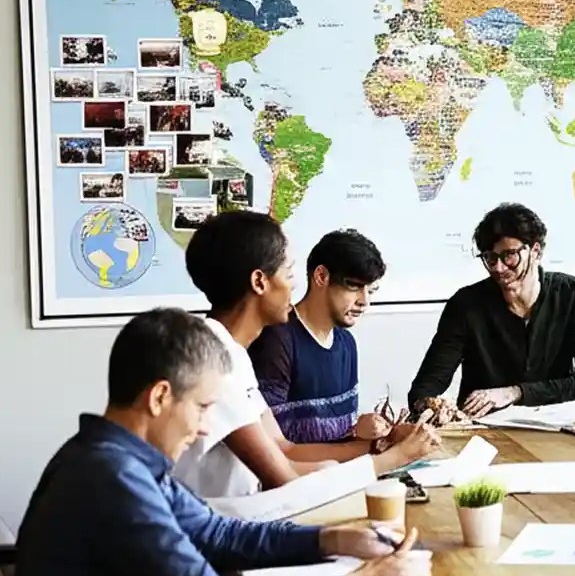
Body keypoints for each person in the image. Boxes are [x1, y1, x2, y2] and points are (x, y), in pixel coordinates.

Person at [8, 308, 432, 576]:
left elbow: (215, 532)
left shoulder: (120, 458)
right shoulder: (111, 480)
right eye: (202, 407)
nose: (206, 428)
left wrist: (333, 539)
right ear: (159, 397)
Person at [176, 211, 438, 499]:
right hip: (227, 526)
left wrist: (383, 444)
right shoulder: (212, 361)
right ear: (260, 282)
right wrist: (395, 457)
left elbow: (284, 448)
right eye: (288, 273)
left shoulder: (230, 352)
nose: (294, 285)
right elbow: (283, 478)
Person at [408, 203, 575, 416]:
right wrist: (430, 406)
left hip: (557, 427)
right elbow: (426, 387)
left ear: (535, 251)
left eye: (509, 255)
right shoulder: (466, 304)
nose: (499, 268)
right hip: (485, 431)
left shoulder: (571, 294)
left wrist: (516, 393)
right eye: (490, 258)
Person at [249, 229, 394, 446]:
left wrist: (363, 430)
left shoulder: (347, 344)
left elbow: (337, 434)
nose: (364, 301)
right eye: (354, 286)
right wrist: (356, 439)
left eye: (370, 291)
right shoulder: (276, 340)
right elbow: (270, 446)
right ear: (321, 276)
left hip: (336, 475)